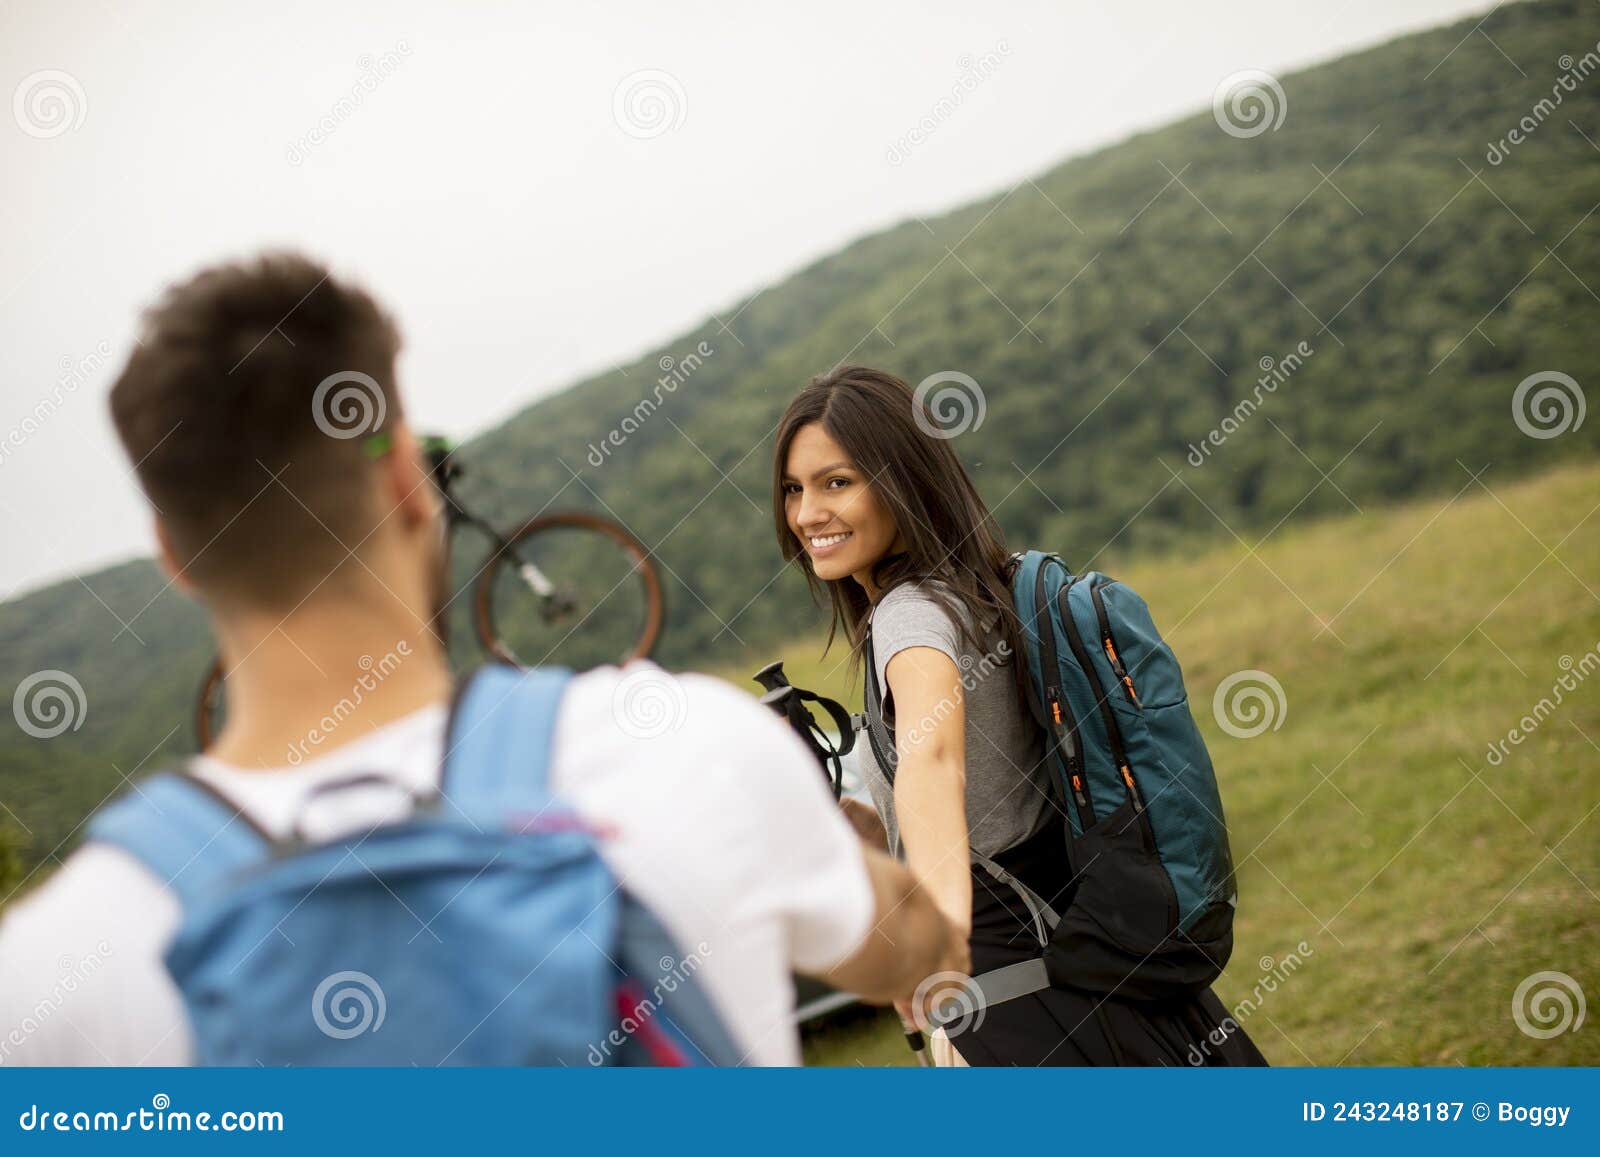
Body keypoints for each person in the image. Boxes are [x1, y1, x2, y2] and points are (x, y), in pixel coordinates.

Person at [0, 255, 960, 1067]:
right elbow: (919, 945)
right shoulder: (688, 745)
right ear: (409, 482)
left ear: (174, 554)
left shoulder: (48, 980)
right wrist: (834, 839)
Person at [772, 364, 1269, 1066]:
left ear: (903, 479)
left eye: (837, 482)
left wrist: (939, 933)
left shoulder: (909, 616)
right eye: (794, 488)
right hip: (1095, 965)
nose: (806, 513)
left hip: (1018, 998)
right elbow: (981, 789)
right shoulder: (980, 589)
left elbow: (934, 756)